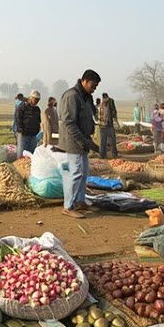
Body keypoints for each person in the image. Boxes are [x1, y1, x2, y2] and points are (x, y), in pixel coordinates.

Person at [57, 70, 101, 219]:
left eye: (96, 87)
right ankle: (68, 206)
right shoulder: (72, 96)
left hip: (83, 141)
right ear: (85, 81)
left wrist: (90, 142)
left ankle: (80, 200)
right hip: (73, 142)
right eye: (93, 85)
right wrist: (82, 141)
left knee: (84, 173)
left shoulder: (86, 97)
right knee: (75, 173)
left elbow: (89, 118)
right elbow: (69, 123)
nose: (94, 89)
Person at [17, 91, 42, 156]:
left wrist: (38, 129)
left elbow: (39, 120)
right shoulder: (22, 107)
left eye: (38, 100)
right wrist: (20, 130)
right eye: (35, 99)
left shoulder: (37, 109)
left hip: (33, 134)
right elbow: (19, 119)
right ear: (31, 98)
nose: (37, 101)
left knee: (32, 153)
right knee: (22, 153)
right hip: (24, 134)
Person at [98, 93, 119, 158]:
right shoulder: (103, 105)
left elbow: (114, 112)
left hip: (107, 125)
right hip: (105, 125)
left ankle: (112, 154)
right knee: (105, 141)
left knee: (110, 140)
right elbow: (112, 113)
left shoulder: (109, 103)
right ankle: (103, 155)